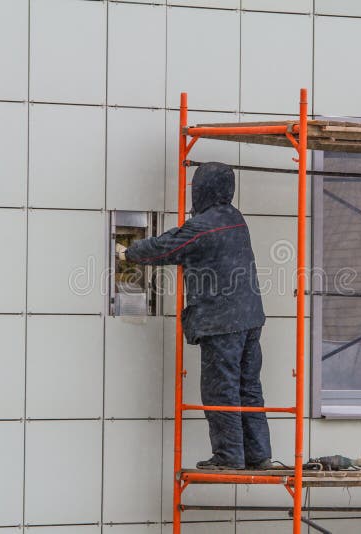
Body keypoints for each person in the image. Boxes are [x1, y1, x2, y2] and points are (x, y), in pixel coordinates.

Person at [116, 162, 272, 470]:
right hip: (251, 319)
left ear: (202, 189)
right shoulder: (235, 218)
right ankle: (258, 455)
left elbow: (166, 247)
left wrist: (128, 253)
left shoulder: (204, 226)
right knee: (248, 387)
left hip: (221, 322)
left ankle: (229, 457)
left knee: (221, 389)